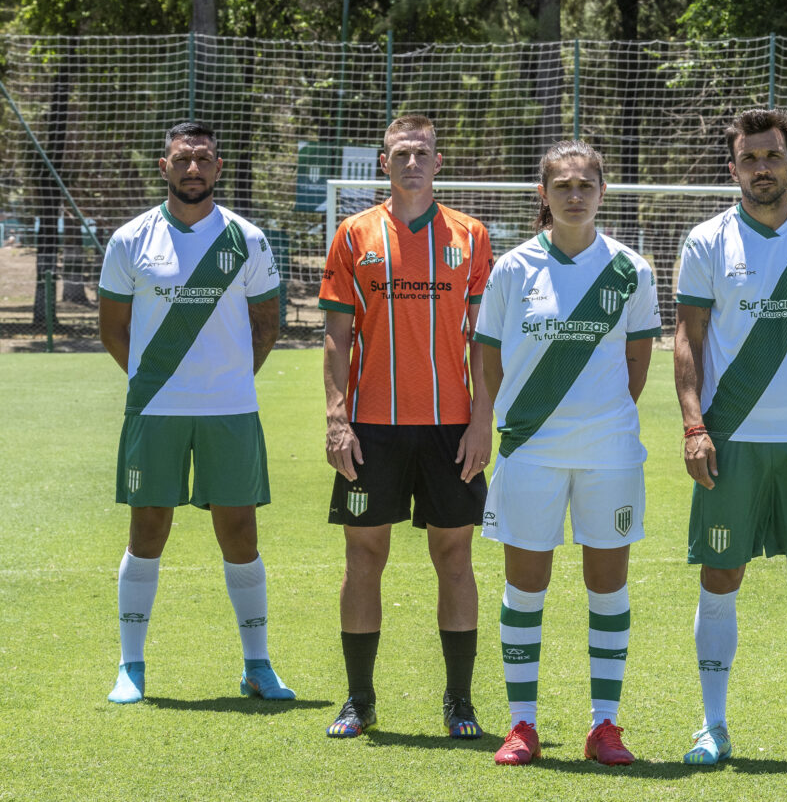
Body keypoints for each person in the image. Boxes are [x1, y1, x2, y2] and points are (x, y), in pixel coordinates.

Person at [674, 108, 787, 765]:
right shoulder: (705, 241)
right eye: (749, 158)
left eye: (771, 156)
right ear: (734, 168)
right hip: (732, 440)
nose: (761, 168)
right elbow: (688, 342)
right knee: (721, 575)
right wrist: (695, 425)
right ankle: (713, 726)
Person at [475, 141, 661, 766]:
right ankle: (522, 725)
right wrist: (510, 421)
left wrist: (601, 414)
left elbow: (638, 361)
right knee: (525, 587)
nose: (575, 195)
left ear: (602, 192)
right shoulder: (512, 268)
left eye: (586, 185)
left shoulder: (631, 269)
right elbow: (488, 355)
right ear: (544, 195)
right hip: (530, 451)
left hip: (610, 452)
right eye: (563, 186)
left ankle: (604, 725)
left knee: (607, 588)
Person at [98, 121, 292, 704]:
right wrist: (158, 380)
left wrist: (225, 380)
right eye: (182, 159)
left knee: (240, 532)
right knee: (148, 528)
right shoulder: (129, 241)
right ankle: (131, 666)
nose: (192, 170)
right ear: (164, 166)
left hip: (229, 410)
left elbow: (267, 326)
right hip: (154, 409)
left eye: (203, 159)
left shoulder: (247, 239)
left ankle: (257, 665)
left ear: (219, 167)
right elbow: (114, 331)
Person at [320, 114, 494, 738]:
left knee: (454, 556)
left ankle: (460, 702)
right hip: (373, 426)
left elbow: (484, 342)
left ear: (438, 162)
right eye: (401, 153)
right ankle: (359, 700)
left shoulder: (471, 237)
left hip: (451, 427)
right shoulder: (354, 233)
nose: (412, 163)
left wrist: (481, 421)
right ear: (383, 163)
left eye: (422, 153)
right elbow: (336, 336)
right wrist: (338, 417)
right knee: (364, 556)